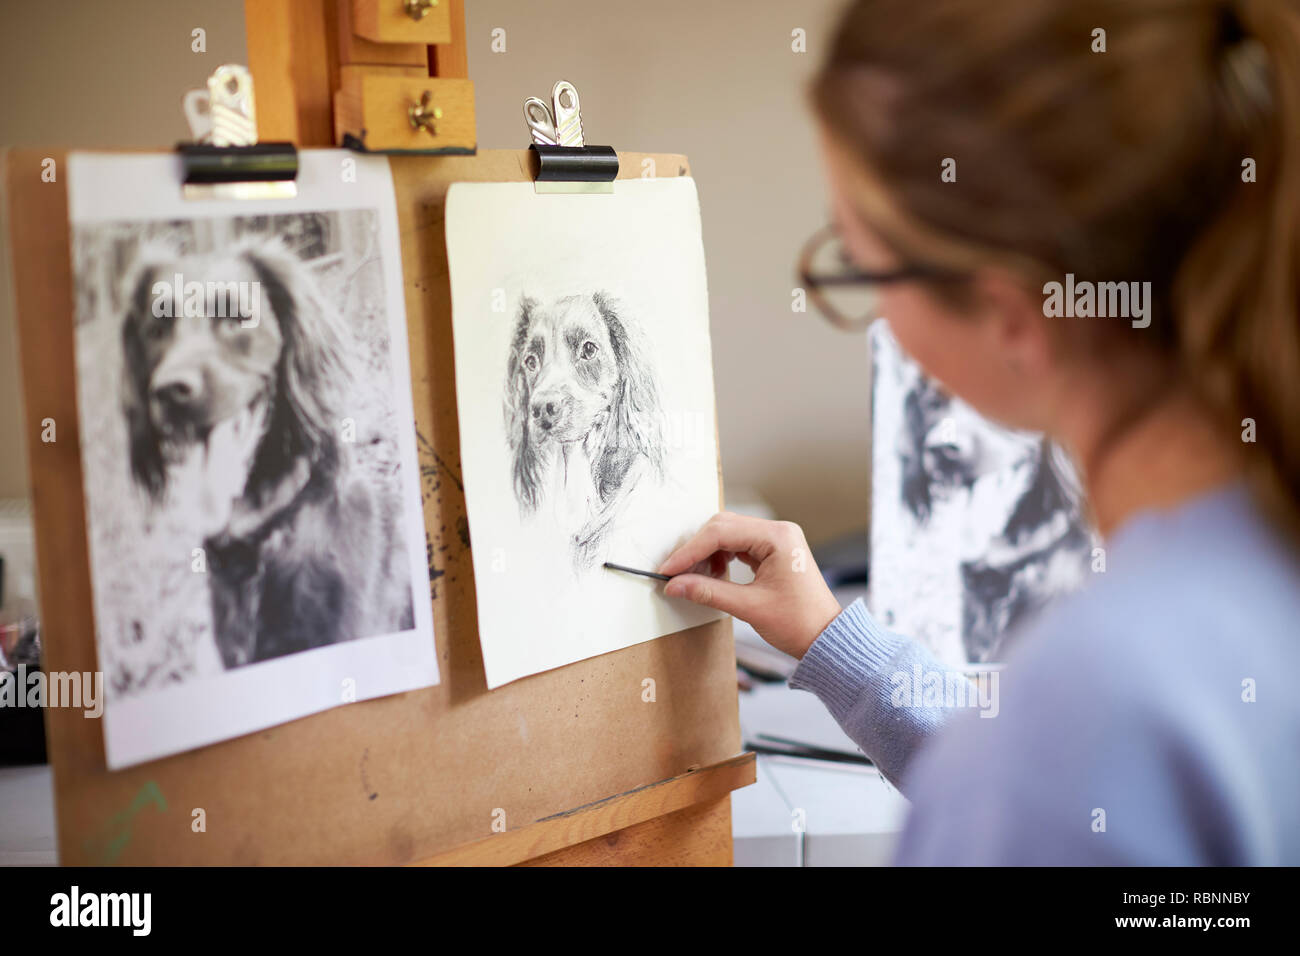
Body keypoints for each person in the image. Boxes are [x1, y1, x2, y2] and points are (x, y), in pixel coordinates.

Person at [659, 0, 1300, 864]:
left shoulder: (1094, 707)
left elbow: (1057, 780)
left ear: (1010, 316)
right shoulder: (1237, 575)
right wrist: (835, 641)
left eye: (858, 259)